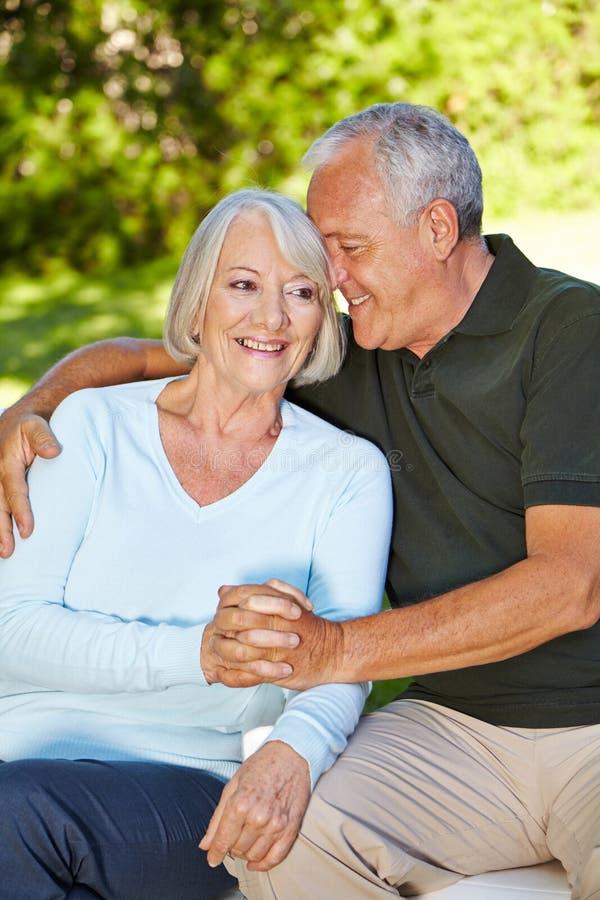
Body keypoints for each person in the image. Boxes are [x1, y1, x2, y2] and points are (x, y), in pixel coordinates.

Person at [0, 103, 599, 899]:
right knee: (279, 849)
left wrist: (330, 651)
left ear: (436, 228)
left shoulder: (569, 329)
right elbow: (162, 355)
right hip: (453, 727)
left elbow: (572, 584)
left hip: (591, 722)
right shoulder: (358, 352)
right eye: (325, 262)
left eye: (346, 252)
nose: (333, 282)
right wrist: (30, 406)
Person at [0, 188, 393, 899]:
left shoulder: (345, 474)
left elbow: (341, 666)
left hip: (180, 790)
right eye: (243, 285)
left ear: (321, 316)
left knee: (15, 821)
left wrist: (290, 753)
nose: (270, 317)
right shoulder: (91, 428)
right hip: (19, 754)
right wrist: (197, 654)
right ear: (197, 300)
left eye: (300, 292)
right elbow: (11, 629)